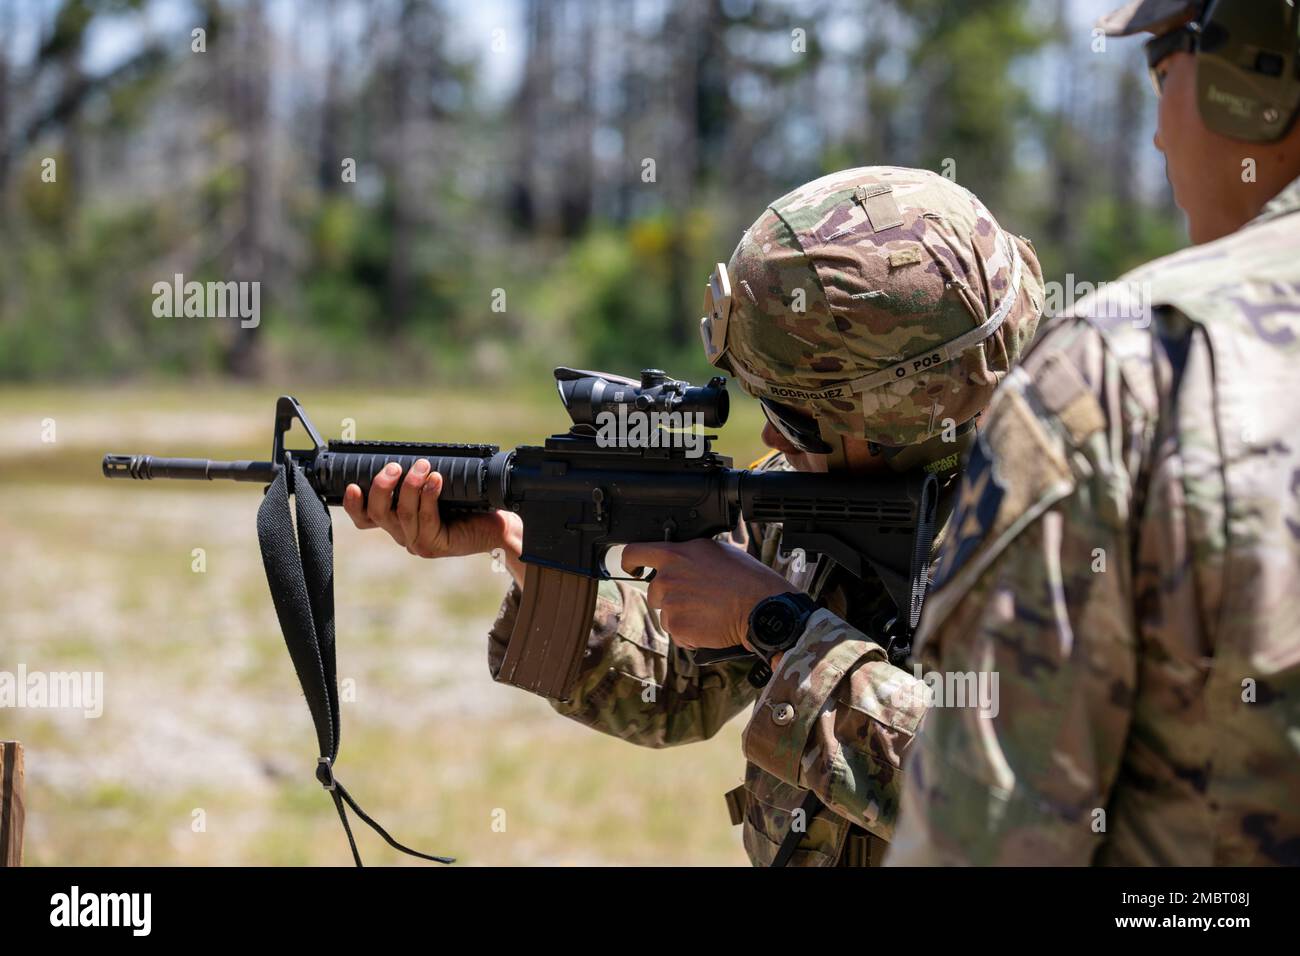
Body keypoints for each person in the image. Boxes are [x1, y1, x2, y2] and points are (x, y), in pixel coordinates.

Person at [344, 166, 1044, 866]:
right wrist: (524, 547)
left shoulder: (1066, 543)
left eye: (796, 418)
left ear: (904, 417)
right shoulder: (803, 501)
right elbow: (671, 694)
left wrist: (777, 624)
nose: (771, 440)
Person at [888, 0, 1300, 866]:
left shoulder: (1131, 365)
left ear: (1251, 80)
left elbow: (989, 841)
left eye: (1161, 73)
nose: (1156, 137)